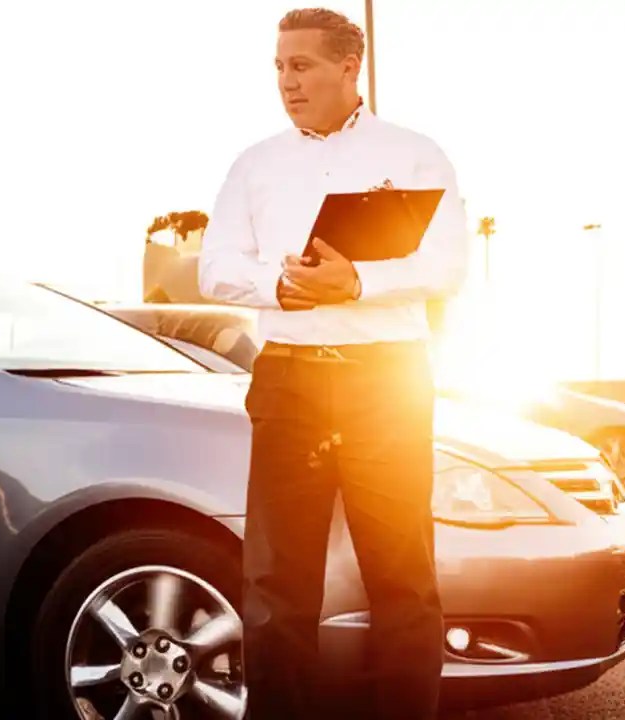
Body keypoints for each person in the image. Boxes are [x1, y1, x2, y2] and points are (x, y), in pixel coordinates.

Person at [197, 7, 469, 719]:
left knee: (403, 582)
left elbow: (446, 266)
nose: (287, 82)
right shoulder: (253, 163)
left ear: (351, 67)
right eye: (280, 68)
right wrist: (282, 287)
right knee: (276, 587)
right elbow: (216, 266)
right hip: (289, 379)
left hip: (389, 382)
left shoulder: (416, 153)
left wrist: (357, 284)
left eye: (303, 66)